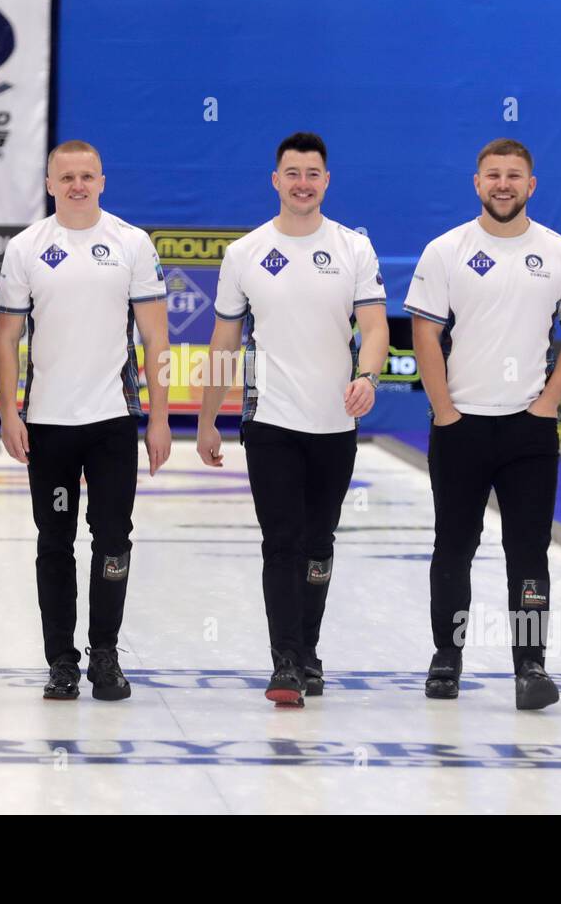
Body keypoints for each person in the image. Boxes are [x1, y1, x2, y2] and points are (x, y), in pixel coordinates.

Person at [196, 131, 388, 707]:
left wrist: (369, 376)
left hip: (335, 421)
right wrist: (209, 419)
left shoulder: (354, 248)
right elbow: (225, 339)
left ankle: (308, 649)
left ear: (326, 181)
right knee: (280, 541)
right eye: (292, 173)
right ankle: (285, 660)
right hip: (270, 421)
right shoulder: (245, 253)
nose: (302, 183)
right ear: (275, 180)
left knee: (318, 542)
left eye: (313, 174)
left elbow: (375, 326)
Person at [406, 138, 561, 711]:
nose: (504, 184)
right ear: (477, 183)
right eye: (493, 175)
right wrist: (445, 411)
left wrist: (547, 403)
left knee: (529, 553)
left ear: (531, 185)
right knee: (454, 548)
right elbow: (424, 335)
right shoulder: (445, 250)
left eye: (514, 175)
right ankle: (448, 655)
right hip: (461, 426)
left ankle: (531, 665)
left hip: (528, 432)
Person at [0, 140, 170, 702]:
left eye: (87, 176)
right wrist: (8, 412)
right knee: (55, 542)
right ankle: (61, 661)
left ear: (102, 180)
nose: (77, 185)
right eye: (66, 176)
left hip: (113, 421)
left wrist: (160, 419)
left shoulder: (131, 244)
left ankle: (105, 654)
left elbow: (156, 337)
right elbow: (5, 337)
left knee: (113, 538)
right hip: (48, 425)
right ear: (49, 182)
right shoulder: (26, 248)